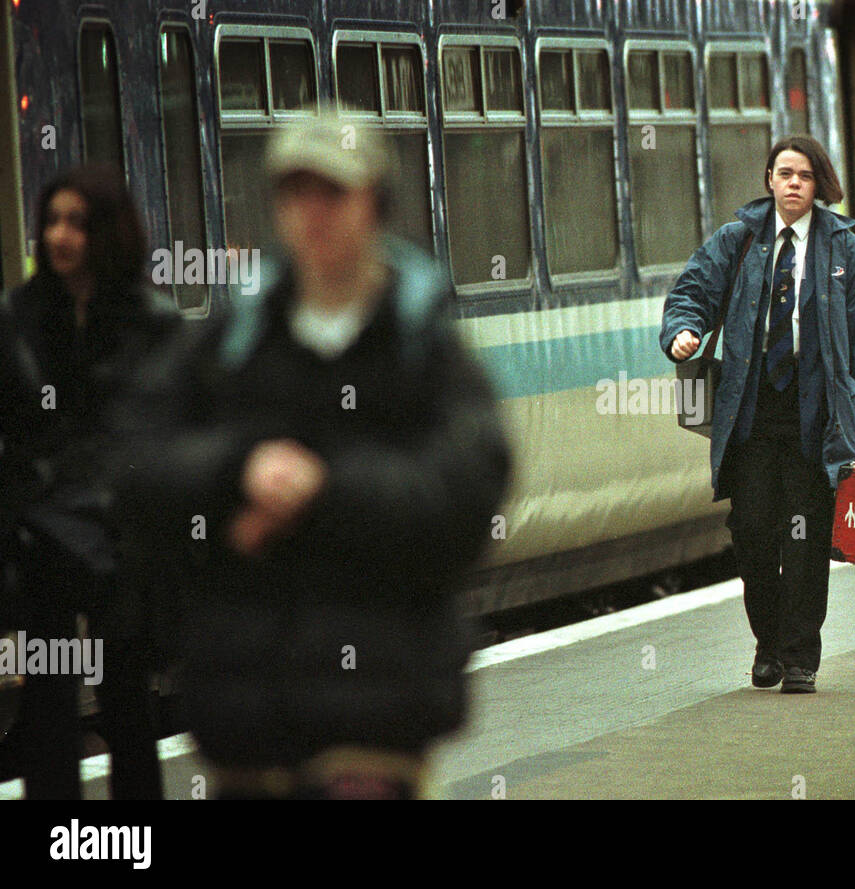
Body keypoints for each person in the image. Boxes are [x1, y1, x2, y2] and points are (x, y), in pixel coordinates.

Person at [116, 113, 511, 798]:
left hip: (374, 729)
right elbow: (133, 463)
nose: (313, 213)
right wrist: (238, 468)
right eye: (296, 194)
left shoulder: (420, 345)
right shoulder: (234, 340)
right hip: (246, 726)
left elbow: (468, 490)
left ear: (375, 204)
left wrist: (323, 488)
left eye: (334, 193)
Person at [660, 135, 855, 694]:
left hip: (817, 416)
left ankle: (800, 657)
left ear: (818, 185)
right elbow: (692, 292)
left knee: (806, 538)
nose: (792, 184)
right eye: (784, 173)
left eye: (804, 176)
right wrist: (681, 332)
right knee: (754, 530)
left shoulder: (844, 250)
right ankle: (767, 644)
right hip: (752, 412)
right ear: (768, 180)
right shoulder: (740, 240)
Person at [0, 165, 176, 798]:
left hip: (120, 542)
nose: (59, 235)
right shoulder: (18, 315)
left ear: (105, 231)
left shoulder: (150, 322)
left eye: (76, 221)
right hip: (41, 540)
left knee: (127, 706)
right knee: (48, 710)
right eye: (51, 221)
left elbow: (169, 432)